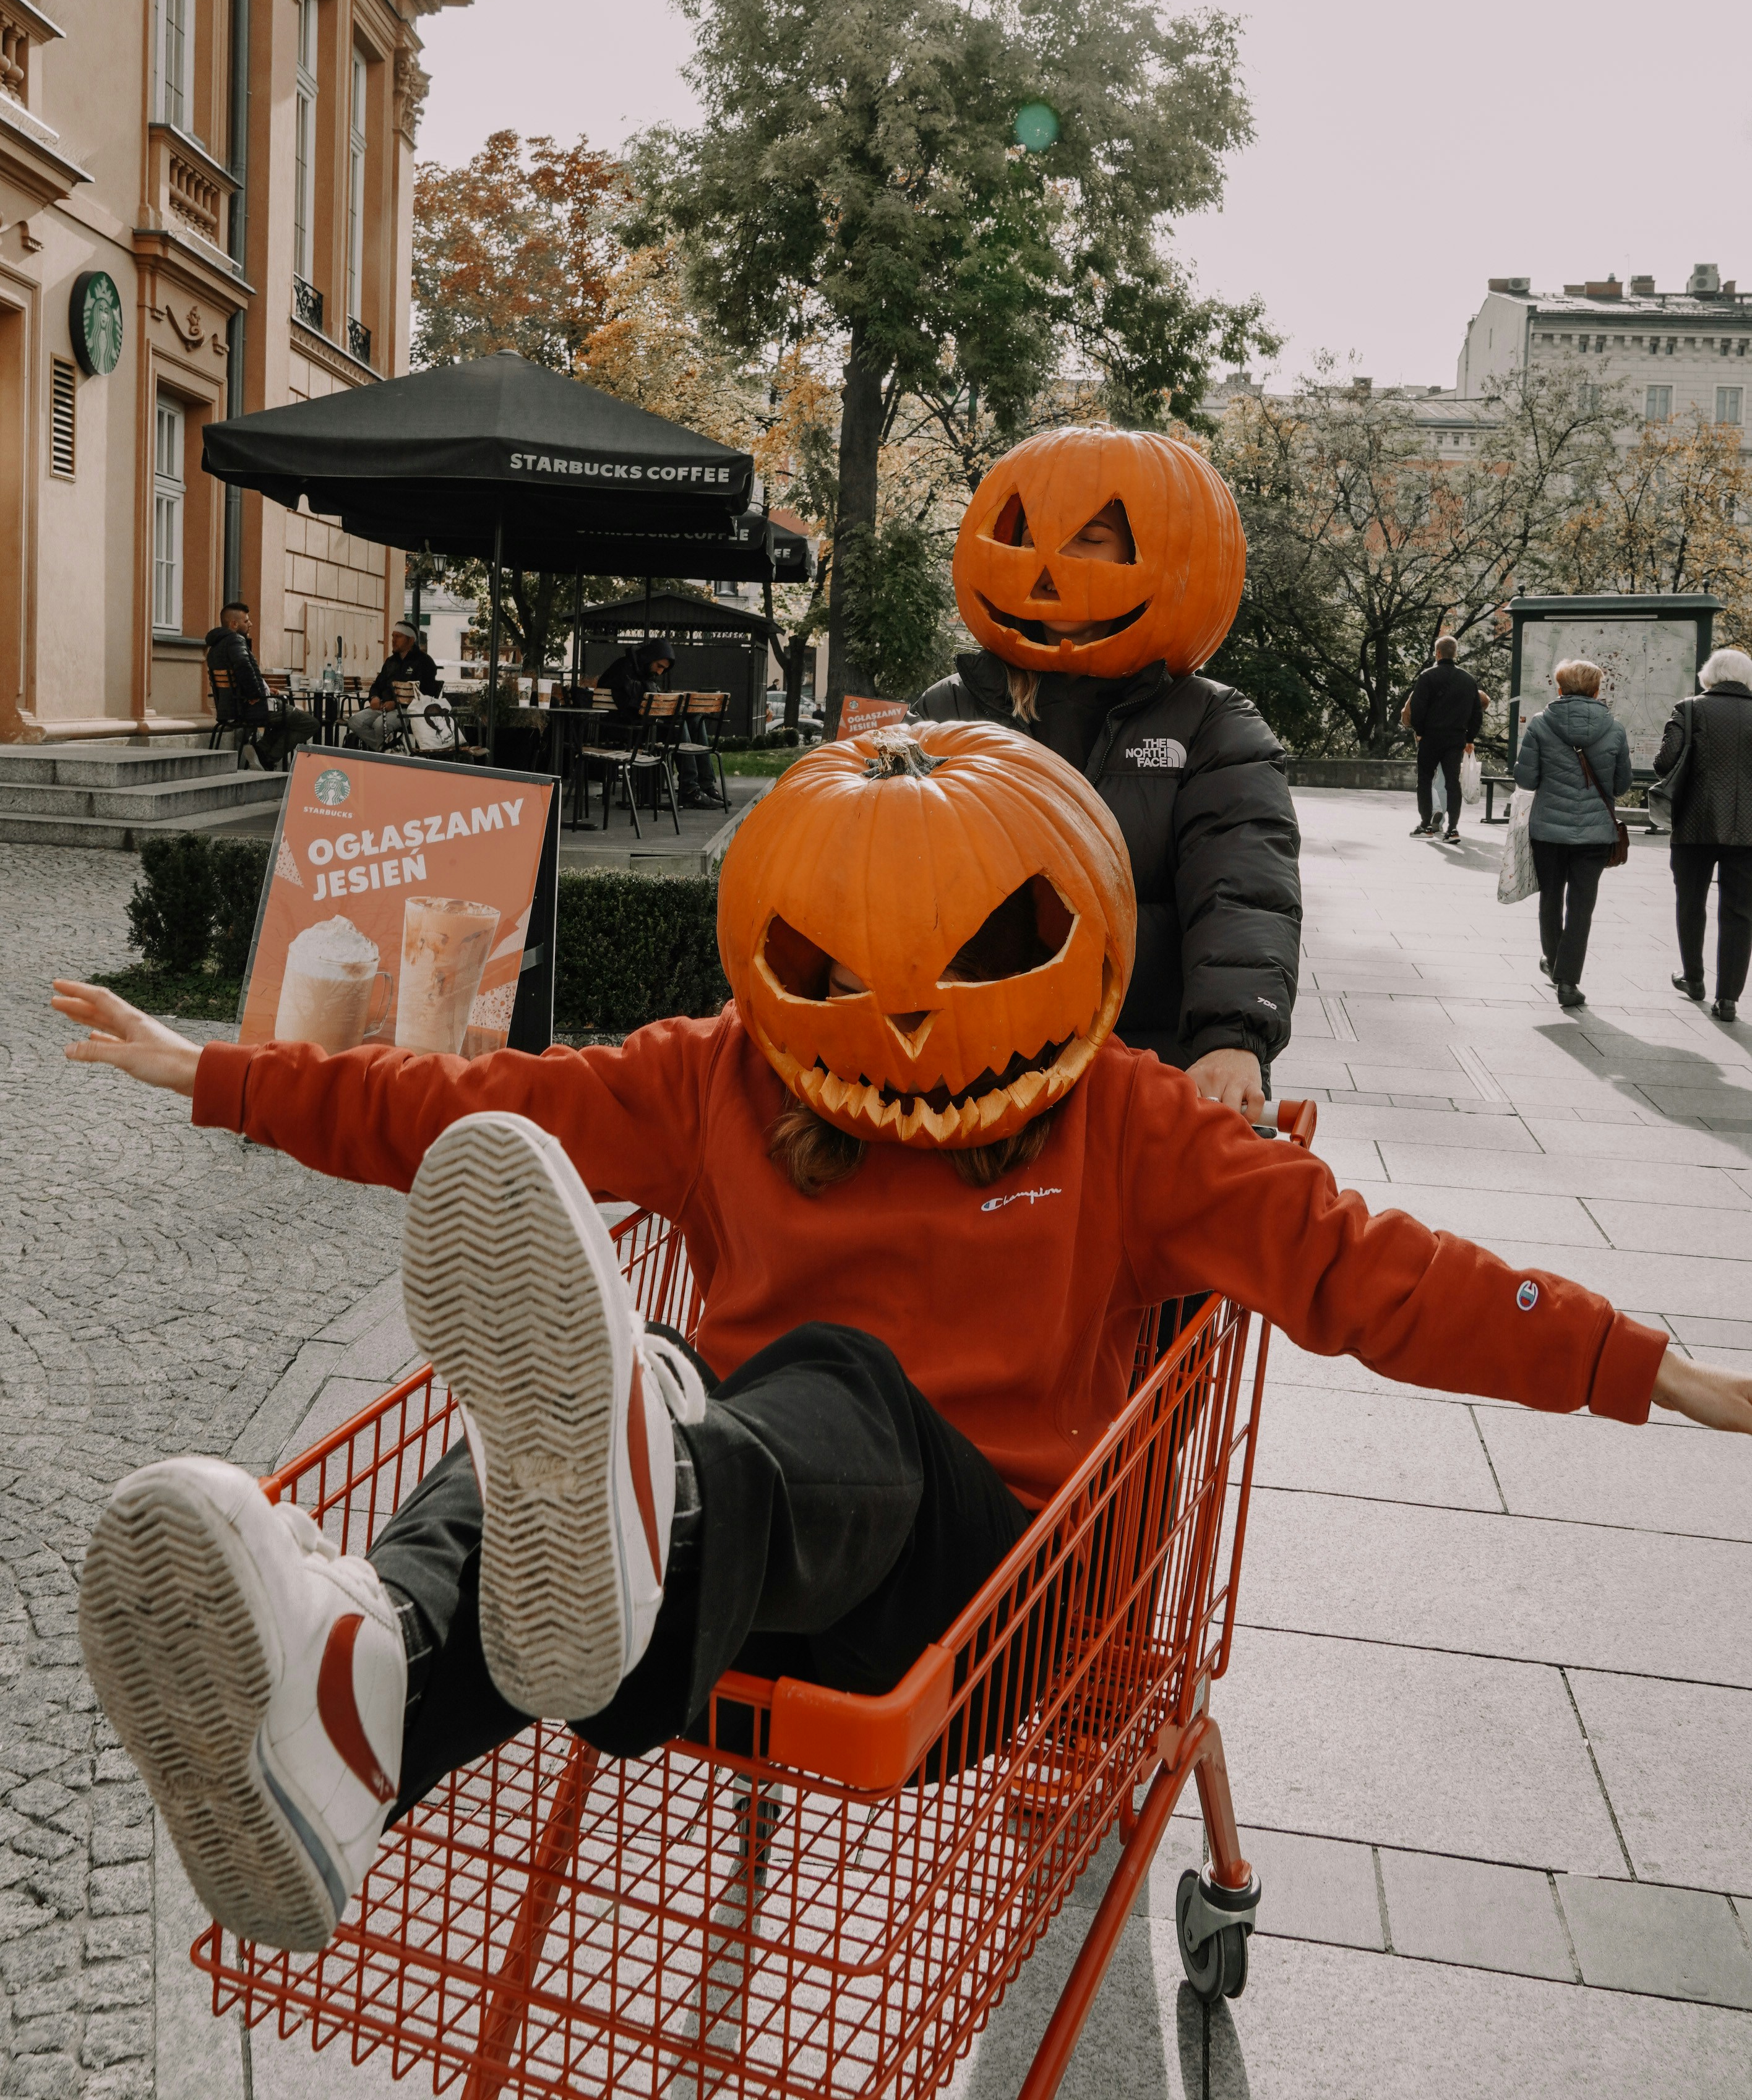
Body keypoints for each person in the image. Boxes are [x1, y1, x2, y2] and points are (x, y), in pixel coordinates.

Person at [54, 721, 1750, 1962]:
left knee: (798, 1384)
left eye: (981, 956)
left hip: (979, 1619)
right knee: (561, 1416)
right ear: (773, 952)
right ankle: (371, 1696)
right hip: (706, 1588)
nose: (908, 1021)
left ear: (1072, 938)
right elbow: (466, 1100)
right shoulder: (719, 1074)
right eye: (835, 967)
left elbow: (1371, 1272)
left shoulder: (1135, 1129)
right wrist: (213, 1072)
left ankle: (649, 1504)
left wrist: (1645, 1365)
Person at [914, 440, 1299, 1123]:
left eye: (1089, 539)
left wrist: (1234, 1038)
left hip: (1138, 1068)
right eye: (1028, 535)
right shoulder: (950, 710)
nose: (1047, 561)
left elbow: (1241, 889)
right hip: (973, 1060)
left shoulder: (1210, 723)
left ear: (1151, 556)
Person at [1513, 658, 1631, 1011]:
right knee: (1582, 904)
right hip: (1596, 834)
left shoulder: (1540, 724)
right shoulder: (1615, 728)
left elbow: (1526, 780)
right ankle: (1568, 980)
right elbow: (1622, 785)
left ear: (1559, 689)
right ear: (1597, 691)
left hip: (1548, 830)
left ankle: (1553, 961)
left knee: (1551, 896)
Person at [1653, 645, 1752, 1024]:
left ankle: (1693, 978)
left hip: (1695, 822)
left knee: (1691, 901)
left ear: (1709, 676)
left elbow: (1665, 763)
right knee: (1740, 912)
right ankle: (1728, 999)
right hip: (1747, 828)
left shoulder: (1689, 708)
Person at [598, 635, 715, 808]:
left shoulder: (641, 670)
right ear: (649, 658)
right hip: (626, 729)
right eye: (659, 666)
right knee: (678, 724)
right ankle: (690, 789)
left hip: (642, 726)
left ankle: (706, 785)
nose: (660, 672)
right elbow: (631, 705)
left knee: (696, 719)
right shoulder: (624, 668)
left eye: (664, 669)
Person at [204, 602, 317, 771]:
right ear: (234, 624)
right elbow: (243, 665)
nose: (250, 624)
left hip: (230, 709)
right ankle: (265, 756)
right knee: (311, 723)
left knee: (286, 720)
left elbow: (239, 675)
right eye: (246, 621)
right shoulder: (236, 640)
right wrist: (256, 693)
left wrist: (264, 688)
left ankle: (262, 753)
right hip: (252, 709)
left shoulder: (215, 647)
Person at [1404, 635, 1485, 844]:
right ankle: (1453, 829)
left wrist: (1419, 730)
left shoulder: (1427, 676)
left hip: (1431, 737)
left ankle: (1425, 825)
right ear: (1455, 654)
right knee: (1452, 783)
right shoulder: (1468, 679)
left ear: (1437, 653)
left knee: (1424, 780)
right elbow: (1477, 713)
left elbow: (1418, 708)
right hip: (1455, 738)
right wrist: (1469, 736)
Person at [346, 620, 444, 752]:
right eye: (393, 636)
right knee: (355, 721)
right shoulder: (391, 662)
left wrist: (398, 703)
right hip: (383, 707)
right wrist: (374, 698)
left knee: (380, 725)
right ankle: (390, 749)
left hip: (408, 710)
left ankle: (385, 752)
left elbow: (426, 693)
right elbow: (378, 684)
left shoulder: (424, 662)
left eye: (398, 637)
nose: (393, 640)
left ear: (410, 640)